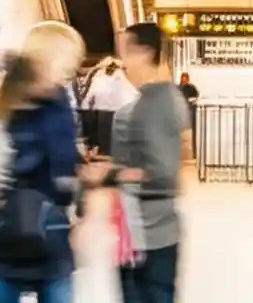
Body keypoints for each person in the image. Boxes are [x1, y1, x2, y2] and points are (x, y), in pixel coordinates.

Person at [0, 21, 84, 303]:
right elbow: (61, 172)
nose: (69, 74)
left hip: (5, 235)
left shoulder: (7, 99)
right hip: (36, 234)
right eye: (67, 65)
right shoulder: (52, 106)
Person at [111, 22, 191, 303]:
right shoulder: (169, 97)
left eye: (126, 54)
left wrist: (114, 175)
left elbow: (162, 172)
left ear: (144, 53)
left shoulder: (151, 105)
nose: (123, 64)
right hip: (157, 228)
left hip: (146, 231)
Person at [82, 57, 138, 156]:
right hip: (111, 112)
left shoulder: (107, 70)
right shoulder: (112, 68)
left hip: (106, 111)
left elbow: (97, 91)